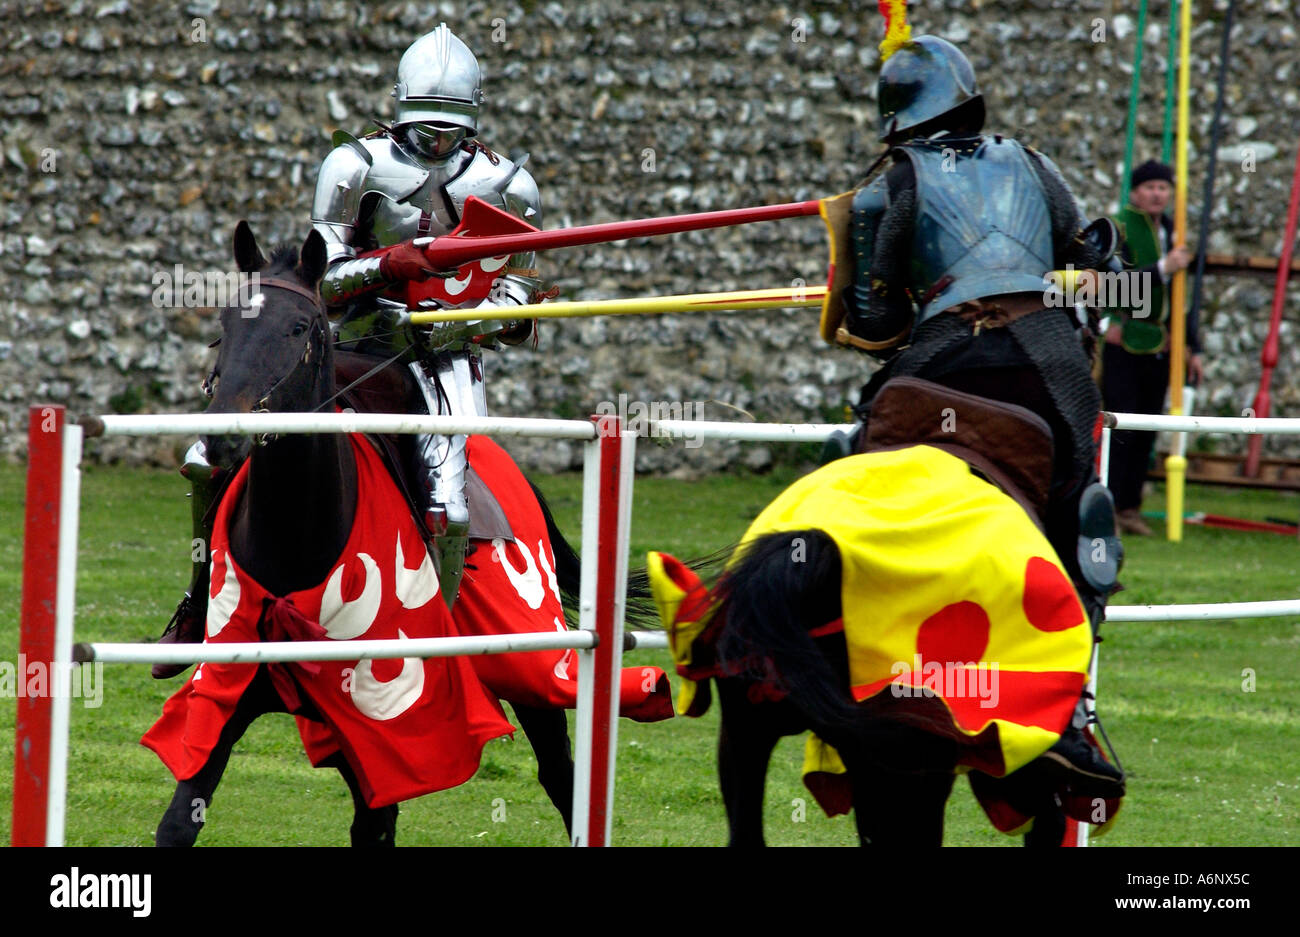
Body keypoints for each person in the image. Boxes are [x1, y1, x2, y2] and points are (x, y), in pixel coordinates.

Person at [153, 23, 544, 677]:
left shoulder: (510, 184)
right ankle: (197, 606)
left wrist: (465, 322)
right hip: (350, 341)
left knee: (447, 503)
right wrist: (387, 264)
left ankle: (438, 640)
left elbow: (520, 297)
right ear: (402, 110)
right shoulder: (356, 165)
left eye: (450, 128)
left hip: (442, 356)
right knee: (205, 457)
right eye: (426, 126)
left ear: (473, 117)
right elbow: (321, 278)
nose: (438, 140)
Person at [821, 36, 1125, 805]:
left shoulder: (883, 191)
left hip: (942, 353)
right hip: (1048, 354)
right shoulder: (1035, 164)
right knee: (1077, 499)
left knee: (856, 450)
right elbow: (1094, 266)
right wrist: (1095, 262)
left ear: (894, 118)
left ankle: (833, 660)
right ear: (968, 96)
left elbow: (877, 323)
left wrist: (852, 295)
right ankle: (1073, 716)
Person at [1102, 159, 1200, 535]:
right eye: (1151, 187)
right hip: (1125, 339)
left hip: (1161, 343)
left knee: (1148, 430)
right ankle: (1107, 504)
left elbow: (1183, 297)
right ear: (1135, 192)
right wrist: (1162, 269)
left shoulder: (1174, 231)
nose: (1158, 194)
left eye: (1164, 187)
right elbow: (1112, 282)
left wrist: (1193, 345)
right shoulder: (1120, 228)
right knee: (1121, 426)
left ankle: (1130, 507)